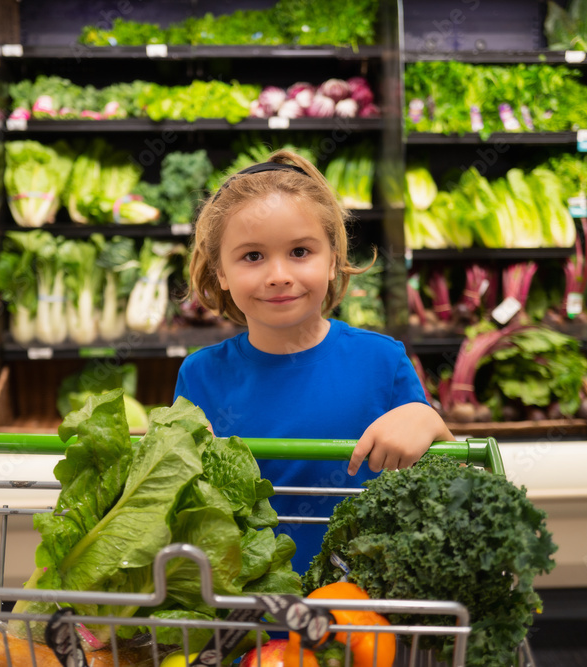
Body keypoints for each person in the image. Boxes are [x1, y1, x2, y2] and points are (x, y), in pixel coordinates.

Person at [173, 149, 454, 572]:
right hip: (245, 611)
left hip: (362, 608)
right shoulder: (199, 376)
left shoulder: (383, 361)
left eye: (300, 252)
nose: (279, 274)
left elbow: (440, 470)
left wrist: (426, 418)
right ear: (221, 273)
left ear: (332, 261)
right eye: (252, 256)